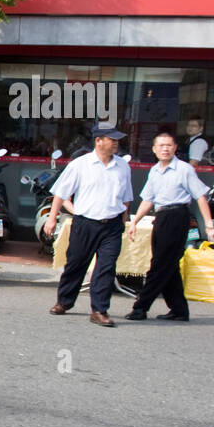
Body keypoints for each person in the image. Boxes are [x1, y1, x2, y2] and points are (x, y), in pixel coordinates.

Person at [44, 125, 133, 326]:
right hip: (85, 223)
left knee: (106, 267)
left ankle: (99, 310)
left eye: (118, 140)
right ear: (98, 141)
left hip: (111, 225)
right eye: (112, 139)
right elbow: (61, 193)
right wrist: (51, 218)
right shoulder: (80, 164)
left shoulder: (123, 166)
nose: (116, 143)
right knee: (76, 264)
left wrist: (125, 219)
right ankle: (64, 301)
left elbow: (126, 197)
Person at [125, 132, 214, 322]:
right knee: (168, 265)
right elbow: (148, 199)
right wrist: (134, 221)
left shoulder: (184, 169)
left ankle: (140, 307)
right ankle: (179, 310)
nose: (165, 149)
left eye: (169, 145)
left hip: (177, 216)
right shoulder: (154, 171)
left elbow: (200, 196)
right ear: (154, 149)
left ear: (175, 148)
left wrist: (209, 224)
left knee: (159, 265)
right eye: (161, 145)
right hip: (160, 216)